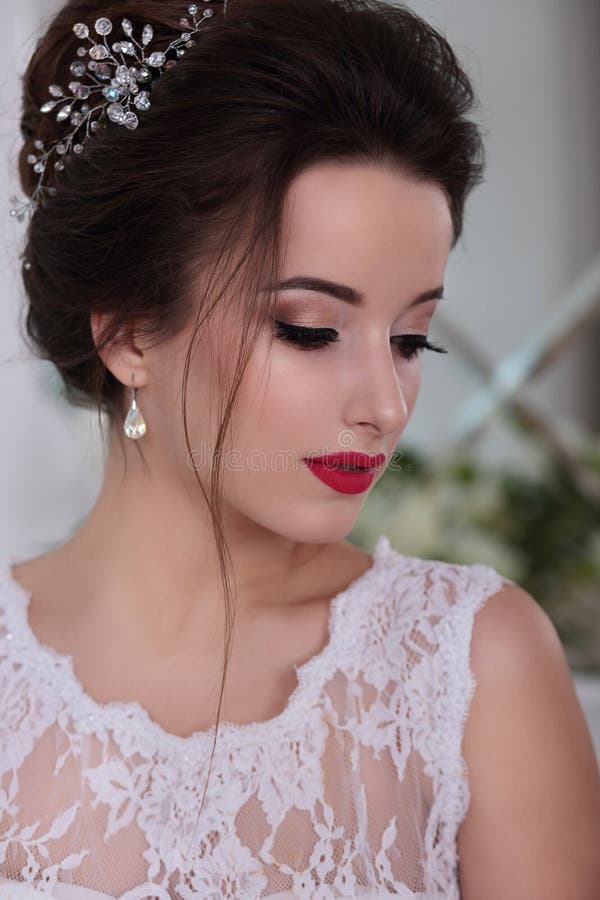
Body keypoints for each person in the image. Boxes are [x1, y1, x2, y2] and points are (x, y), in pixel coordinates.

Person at [2, 0, 600, 896]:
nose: (386, 405)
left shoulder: (473, 668)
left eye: (411, 339)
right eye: (311, 330)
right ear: (128, 334)